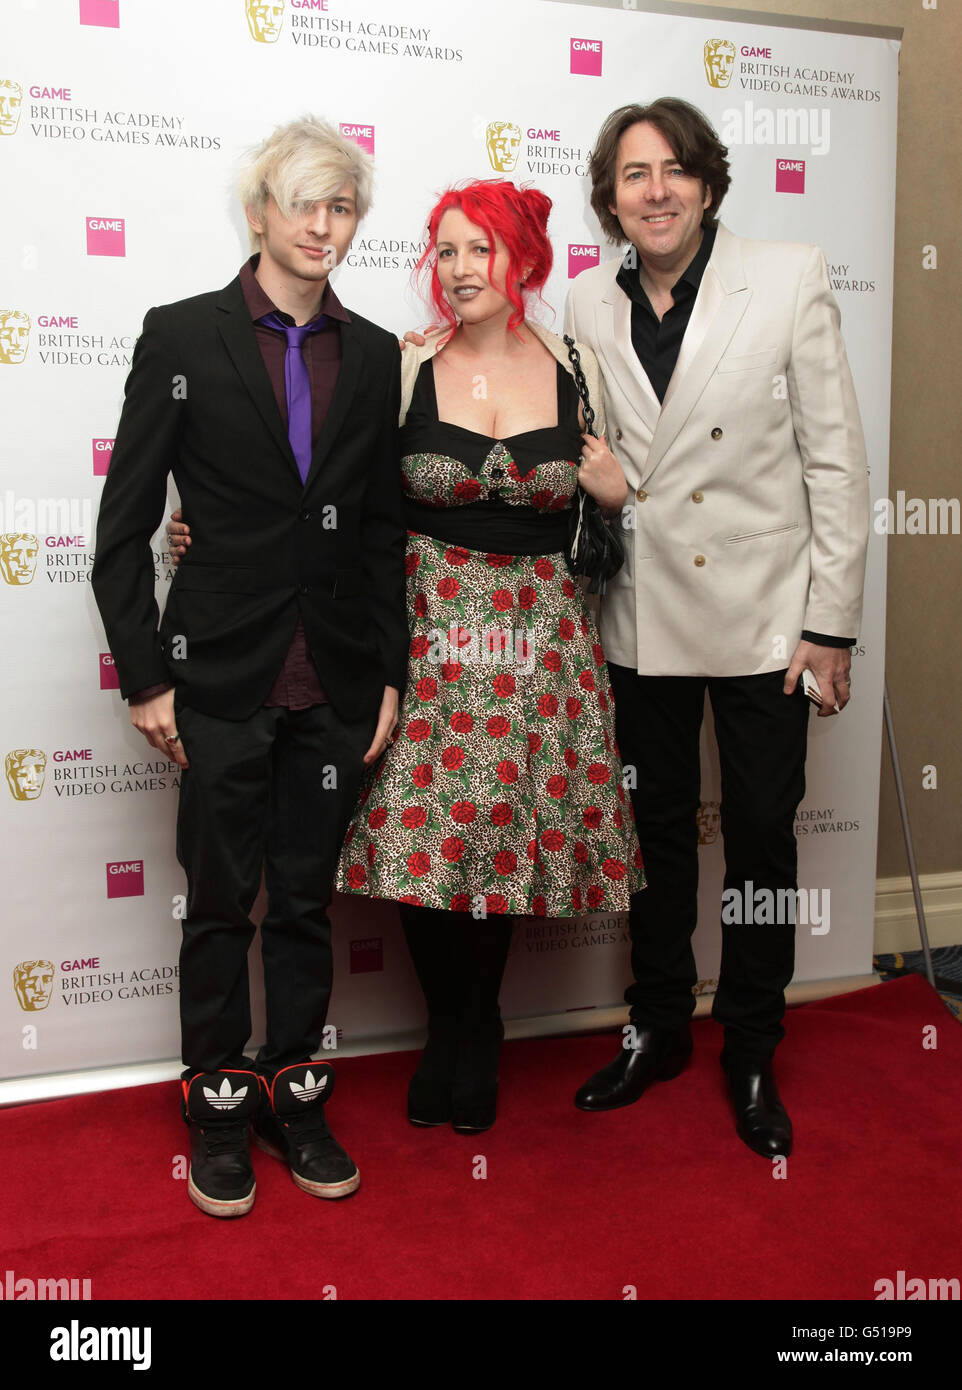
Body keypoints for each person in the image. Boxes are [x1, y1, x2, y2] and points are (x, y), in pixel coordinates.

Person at [169, 179, 644, 1135]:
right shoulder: (402, 366)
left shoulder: (580, 362)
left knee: (501, 836)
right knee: (431, 843)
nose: (463, 269)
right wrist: (217, 534)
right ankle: (448, 1030)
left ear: (525, 260)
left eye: (483, 250)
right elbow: (322, 488)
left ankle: (480, 1030)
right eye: (448, 251)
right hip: (426, 637)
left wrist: (615, 490)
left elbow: (615, 499)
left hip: (540, 643)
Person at [92, 116, 408, 1218]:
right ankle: (218, 1105)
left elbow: (377, 529)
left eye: (343, 208)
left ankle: (297, 1095)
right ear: (260, 213)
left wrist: (390, 679)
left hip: (333, 680)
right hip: (217, 676)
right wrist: (145, 677)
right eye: (304, 205)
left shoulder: (372, 356)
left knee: (306, 905)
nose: (323, 227)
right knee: (222, 903)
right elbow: (123, 526)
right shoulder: (180, 337)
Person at [565, 98, 870, 1155]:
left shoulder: (786, 275)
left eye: (674, 171)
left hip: (762, 620)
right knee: (650, 840)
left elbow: (834, 463)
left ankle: (748, 1043)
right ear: (609, 198)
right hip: (638, 620)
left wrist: (826, 626)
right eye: (633, 175)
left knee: (757, 844)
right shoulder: (580, 304)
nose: (655, 191)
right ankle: (656, 1026)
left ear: (706, 183)